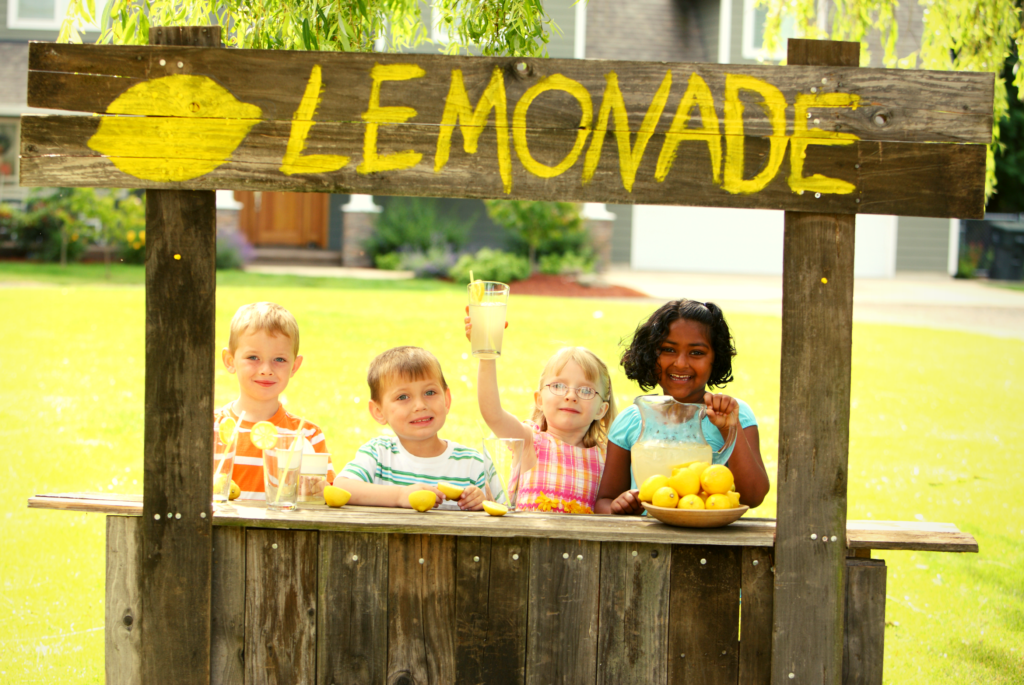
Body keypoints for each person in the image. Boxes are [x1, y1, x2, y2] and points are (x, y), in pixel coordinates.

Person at [595, 299, 769, 514]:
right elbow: (604, 500)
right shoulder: (632, 420)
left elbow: (753, 496)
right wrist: (617, 508)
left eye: (696, 352)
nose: (680, 363)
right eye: (668, 350)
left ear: (716, 358)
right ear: (651, 355)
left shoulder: (734, 414)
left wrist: (728, 428)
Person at [470, 309, 617, 513]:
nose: (570, 396)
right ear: (539, 399)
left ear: (601, 409)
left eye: (585, 390)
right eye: (558, 386)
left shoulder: (606, 458)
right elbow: (493, 414)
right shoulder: (529, 442)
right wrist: (487, 355)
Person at [335, 346, 504, 510]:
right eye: (403, 397)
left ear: (446, 400)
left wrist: (482, 501)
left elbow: (504, 506)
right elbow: (342, 486)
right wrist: (400, 496)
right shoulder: (378, 454)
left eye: (430, 393)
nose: (420, 405)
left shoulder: (473, 465)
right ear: (379, 412)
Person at [215, 302, 331, 500]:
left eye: (279, 360)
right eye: (253, 357)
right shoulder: (212, 429)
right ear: (230, 360)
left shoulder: (307, 434)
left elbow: (326, 495)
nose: (266, 369)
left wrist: (318, 491)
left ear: (294, 366)